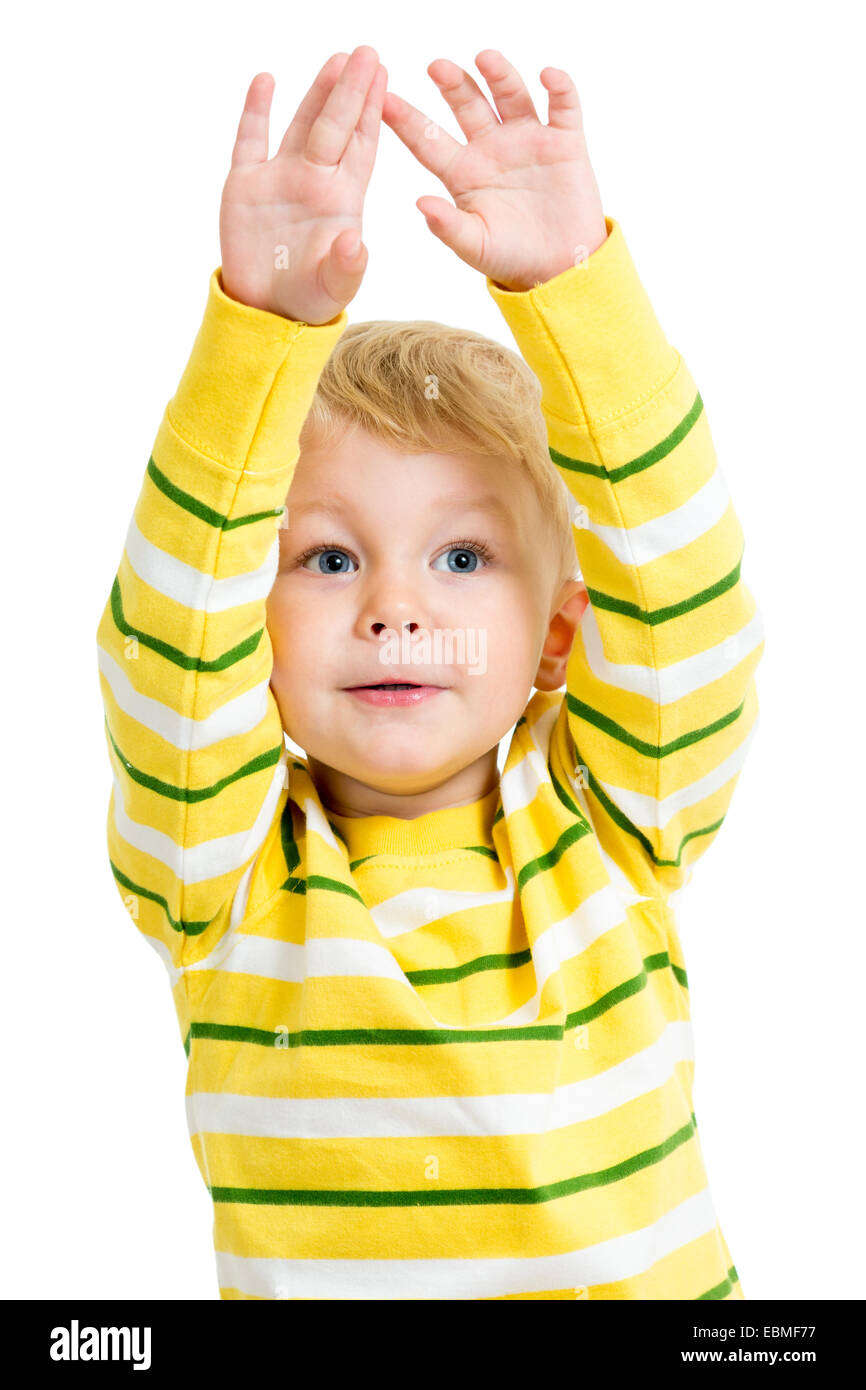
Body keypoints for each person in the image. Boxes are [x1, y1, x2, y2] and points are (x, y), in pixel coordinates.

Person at [95, 44, 764, 1300]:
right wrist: (259, 337)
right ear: (252, 623)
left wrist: (571, 292)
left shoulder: (612, 825)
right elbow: (165, 643)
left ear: (557, 632)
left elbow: (686, 597)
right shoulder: (223, 874)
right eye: (330, 558)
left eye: (461, 554)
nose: (396, 608)